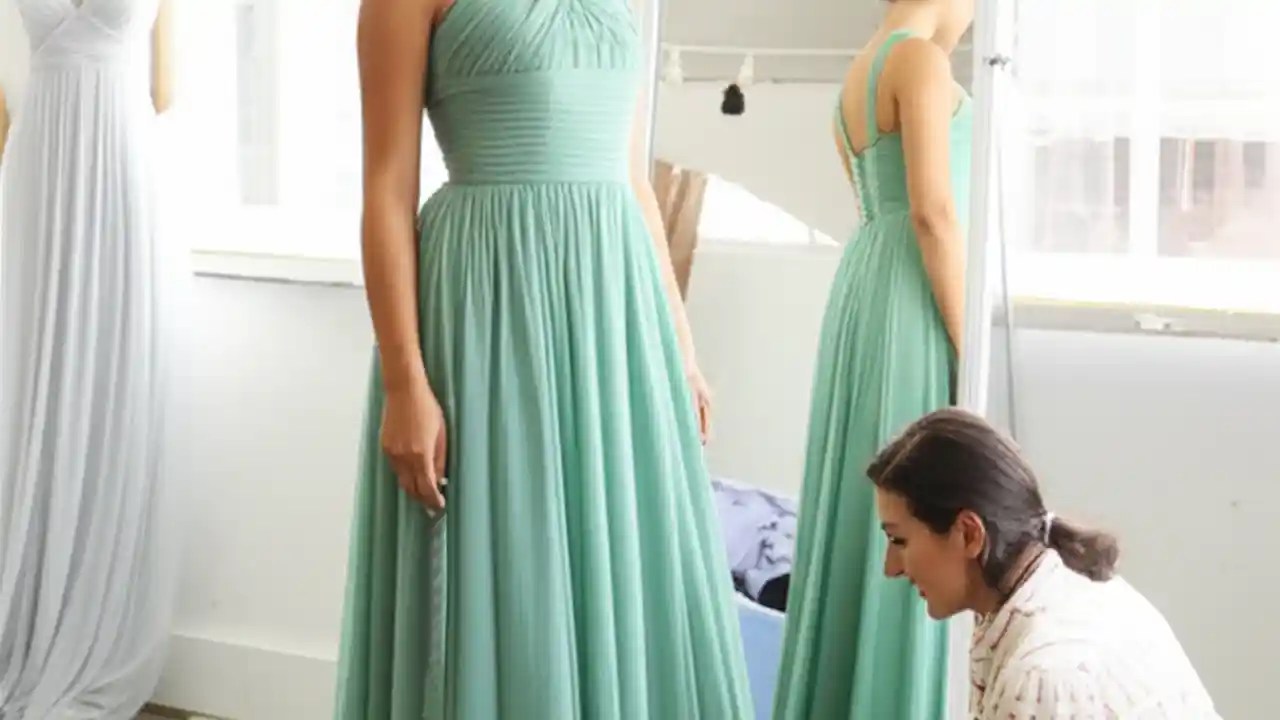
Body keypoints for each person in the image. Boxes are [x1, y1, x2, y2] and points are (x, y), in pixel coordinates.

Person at [332, 0, 754, 717]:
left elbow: (631, 180)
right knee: (509, 569)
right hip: (489, 310)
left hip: (614, 319)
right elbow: (385, 186)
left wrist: (678, 346)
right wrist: (407, 379)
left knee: (618, 566)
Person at [772, 1, 973, 718]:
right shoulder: (920, 61)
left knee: (873, 512)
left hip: (866, 289)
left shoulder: (863, 67)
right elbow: (934, 214)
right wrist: (967, 341)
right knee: (924, 505)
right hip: (911, 296)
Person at [0, 1, 181, 718]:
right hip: (42, 176)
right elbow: (163, 89)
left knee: (116, 393)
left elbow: (166, 94)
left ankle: (91, 617)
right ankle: (35, 607)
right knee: (28, 381)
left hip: (116, 177)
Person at [869, 408, 1221, 719]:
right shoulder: (1069, 588)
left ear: (969, 533)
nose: (891, 567)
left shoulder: (1044, 673)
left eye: (899, 540)